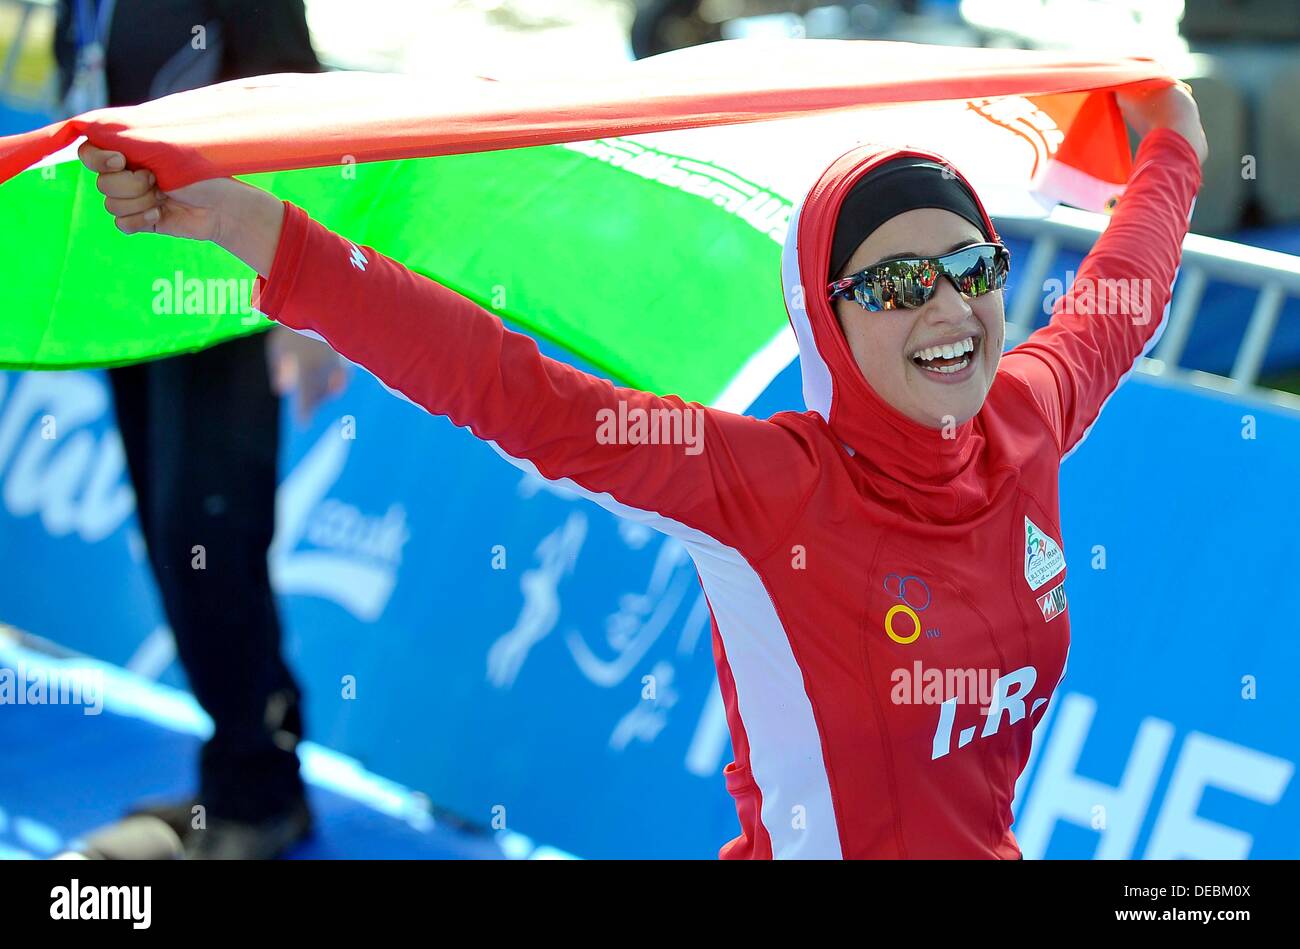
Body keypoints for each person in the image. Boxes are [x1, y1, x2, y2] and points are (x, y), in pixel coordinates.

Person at [76, 82, 1206, 859]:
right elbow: (508, 387)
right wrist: (243, 226)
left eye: (971, 265)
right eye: (899, 282)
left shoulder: (1028, 413)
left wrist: (1173, 141)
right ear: (827, 317)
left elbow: (1134, 278)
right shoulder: (760, 486)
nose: (951, 306)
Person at [54, 0, 344, 859]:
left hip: (223, 291)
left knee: (207, 535)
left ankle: (257, 792)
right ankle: (240, 777)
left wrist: (309, 308)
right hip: (124, 293)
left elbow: (301, 107)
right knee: (171, 534)